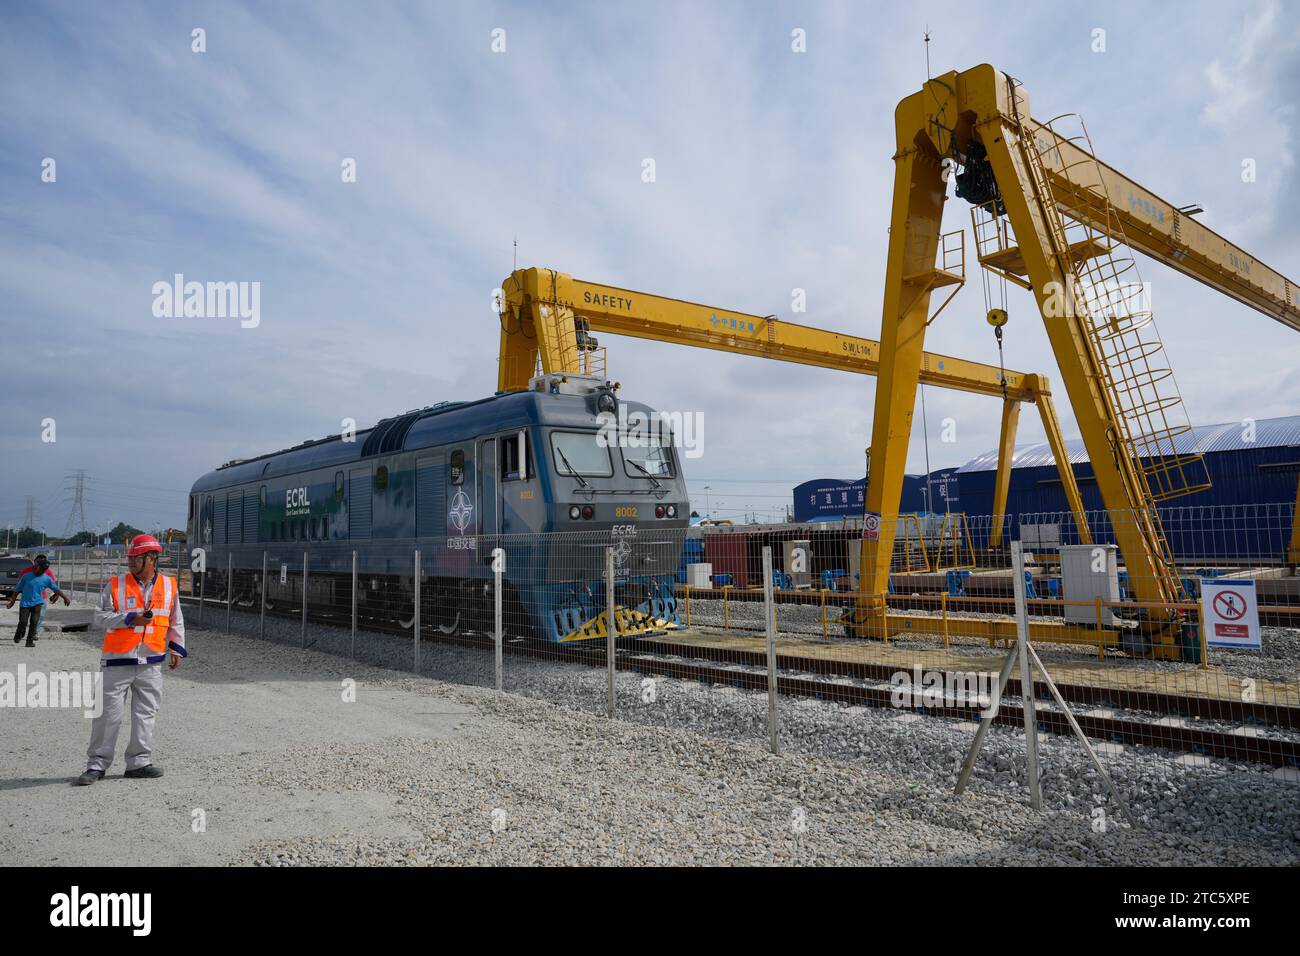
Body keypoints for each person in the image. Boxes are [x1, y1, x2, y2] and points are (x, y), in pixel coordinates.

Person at [76, 534, 187, 786]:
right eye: (130, 557)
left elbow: (174, 619)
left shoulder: (169, 586)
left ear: (151, 559)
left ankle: (139, 762)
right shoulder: (116, 584)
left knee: (146, 714)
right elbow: (99, 617)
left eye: (135, 557)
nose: (130, 561)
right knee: (107, 715)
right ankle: (96, 765)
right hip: (117, 660)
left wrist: (177, 649)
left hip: (151, 661)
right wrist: (129, 618)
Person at [5, 554, 70, 646]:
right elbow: (16, 591)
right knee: (23, 622)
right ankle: (18, 634)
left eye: (44, 570)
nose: (42, 571)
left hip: (38, 603)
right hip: (25, 603)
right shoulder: (26, 576)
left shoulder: (46, 578)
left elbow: (56, 589)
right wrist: (12, 602)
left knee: (34, 622)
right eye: (41, 569)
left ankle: (29, 641)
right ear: (37, 566)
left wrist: (65, 597)